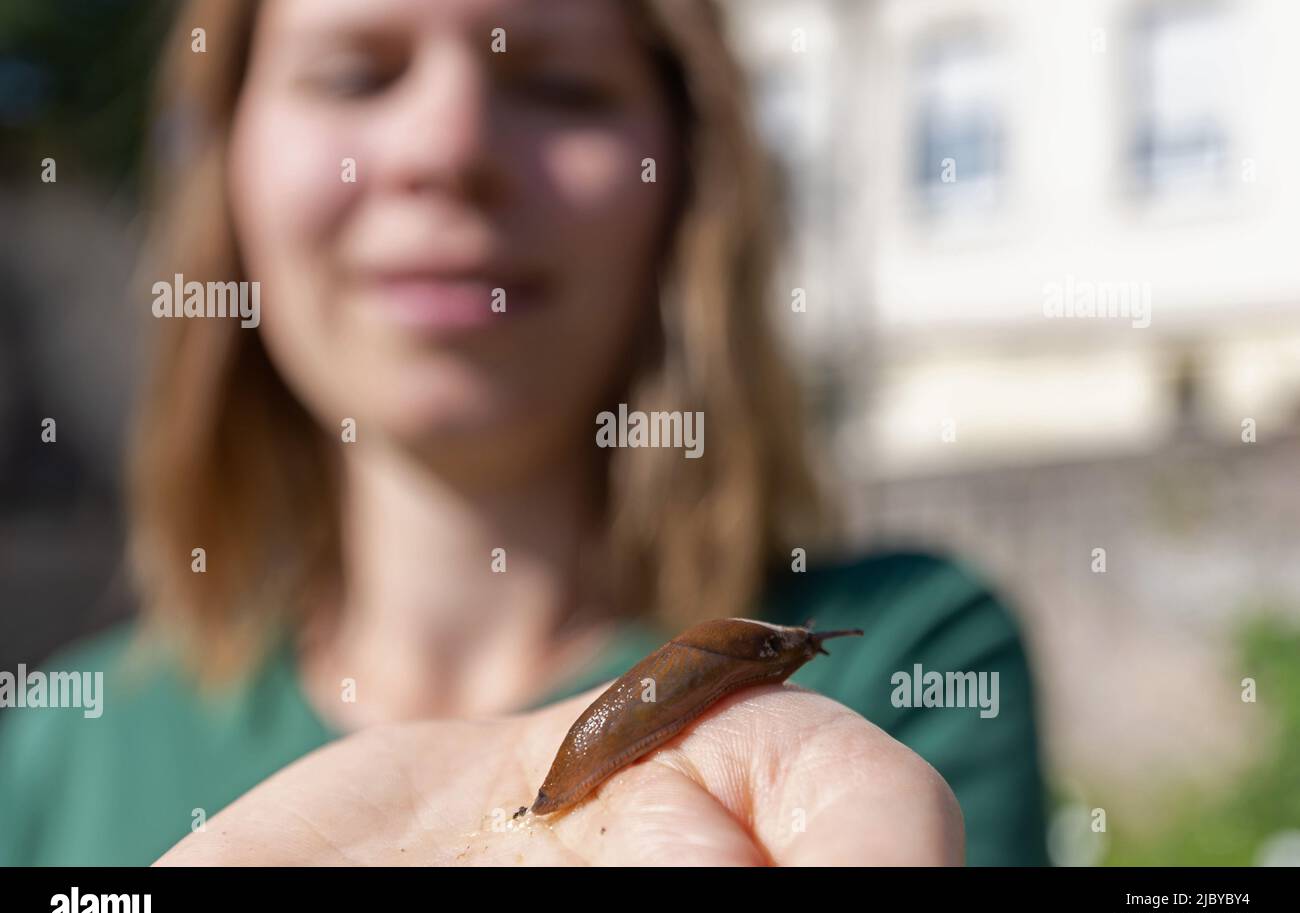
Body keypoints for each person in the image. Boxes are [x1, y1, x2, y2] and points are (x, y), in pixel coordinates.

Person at [0, 0, 1049, 866]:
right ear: (225, 166)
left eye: (560, 87)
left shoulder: (910, 661)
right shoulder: (58, 753)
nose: (449, 148)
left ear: (688, 173)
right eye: (357, 74)